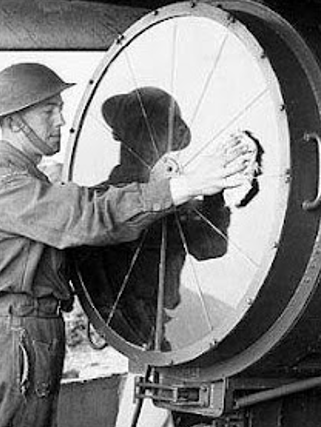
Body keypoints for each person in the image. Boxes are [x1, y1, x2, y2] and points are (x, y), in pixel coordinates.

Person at [0, 63, 249, 427]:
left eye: (60, 108)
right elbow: (86, 216)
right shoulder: (7, 186)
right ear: (14, 121)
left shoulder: (26, 180)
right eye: (49, 111)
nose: (61, 120)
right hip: (11, 341)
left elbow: (91, 203)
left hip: (23, 335)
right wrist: (181, 187)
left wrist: (188, 189)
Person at [73, 86, 232, 349]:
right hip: (126, 331)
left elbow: (210, 247)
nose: (150, 141)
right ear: (123, 135)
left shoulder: (176, 202)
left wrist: (214, 193)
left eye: (157, 132)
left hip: (158, 334)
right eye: (141, 130)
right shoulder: (100, 202)